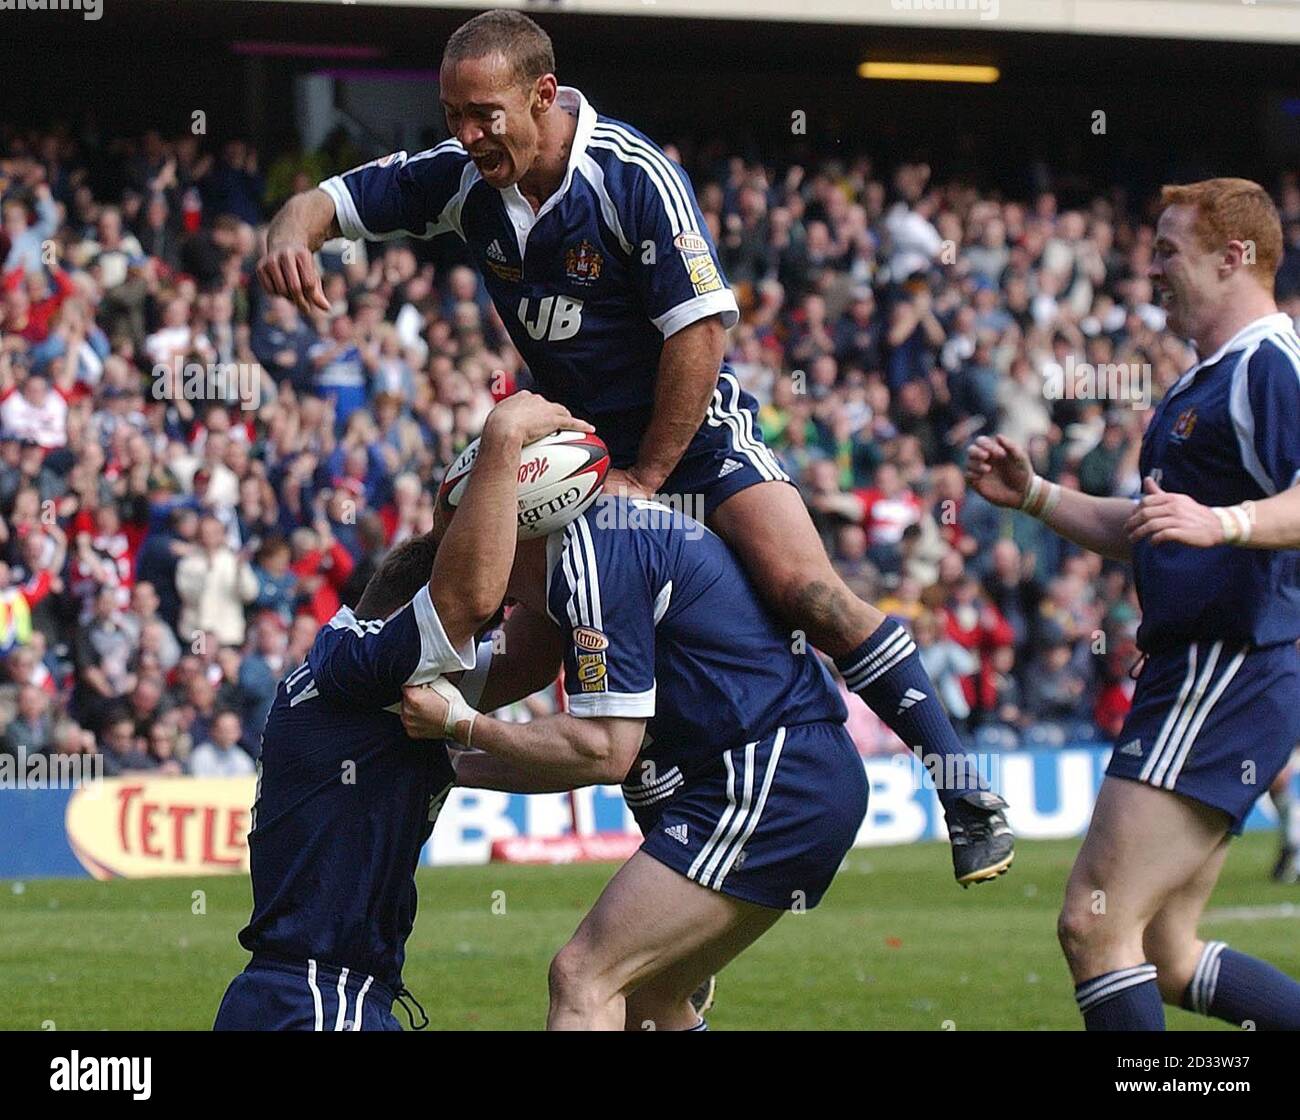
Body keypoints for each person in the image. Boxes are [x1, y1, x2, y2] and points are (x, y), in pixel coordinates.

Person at [257, 8, 1012, 883]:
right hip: (573, 453)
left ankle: (963, 787)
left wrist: (650, 475)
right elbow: (340, 198)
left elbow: (700, 333)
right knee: (536, 638)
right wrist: (292, 228)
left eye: (484, 114)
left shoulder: (630, 174)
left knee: (805, 589)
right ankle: (414, 727)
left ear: (542, 95)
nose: (466, 135)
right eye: (453, 116)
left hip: (686, 438)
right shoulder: (464, 177)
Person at [966, 177, 1300, 1030]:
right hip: (1204, 669)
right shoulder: (1207, 380)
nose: (1149, 269)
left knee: (1095, 923)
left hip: (1227, 666)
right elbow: (1152, 528)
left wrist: (1222, 522)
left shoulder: (1270, 363)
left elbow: (1229, 518)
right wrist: (1035, 494)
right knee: (1164, 952)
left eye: (1167, 252)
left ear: (1235, 257)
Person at [401, 493, 873, 1031]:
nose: (462, 562)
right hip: (784, 775)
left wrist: (459, 723)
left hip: (770, 775)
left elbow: (603, 751)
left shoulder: (592, 556)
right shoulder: (578, 564)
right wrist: (452, 766)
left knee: (582, 976)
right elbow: (583, 753)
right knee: (647, 1001)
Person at [212, 391, 586, 1031]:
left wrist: (554, 542)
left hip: (305, 994)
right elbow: (466, 600)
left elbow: (527, 664)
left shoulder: (367, 684)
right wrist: (502, 438)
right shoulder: (359, 659)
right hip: (319, 999)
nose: (475, 646)